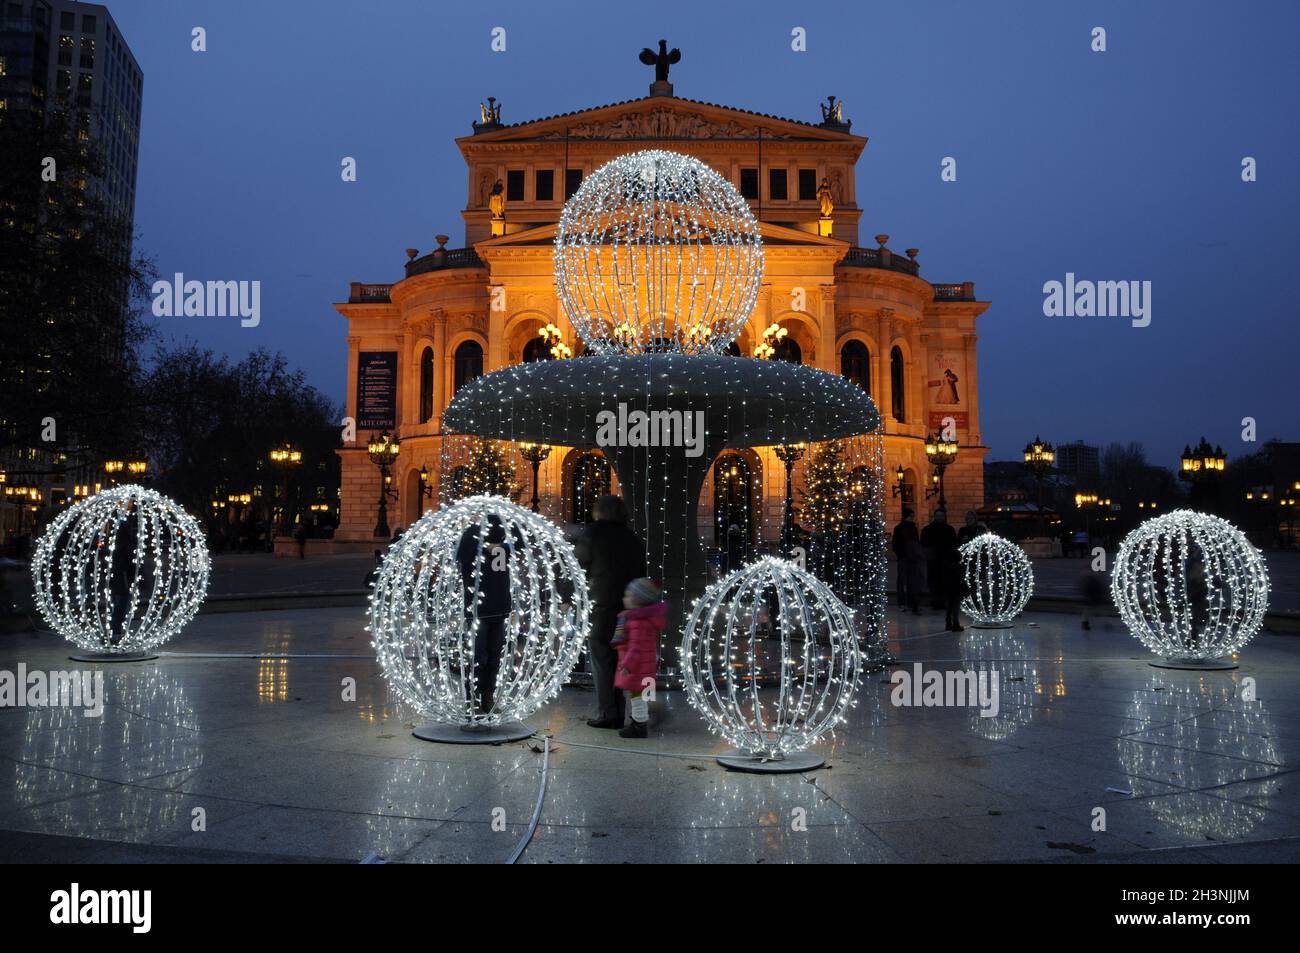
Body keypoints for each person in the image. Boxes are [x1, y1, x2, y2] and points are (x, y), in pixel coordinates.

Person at [574, 494, 646, 728]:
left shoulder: (592, 534)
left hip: (602, 605)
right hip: (630, 607)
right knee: (624, 659)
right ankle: (629, 713)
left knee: (602, 657)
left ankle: (608, 713)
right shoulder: (632, 537)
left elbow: (578, 566)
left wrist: (571, 596)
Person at [457, 515, 511, 714]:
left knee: (493, 658)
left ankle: (487, 696)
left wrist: (497, 547)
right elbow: (462, 551)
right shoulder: (471, 546)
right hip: (478, 612)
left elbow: (518, 544)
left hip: (498, 610)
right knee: (477, 658)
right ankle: (472, 698)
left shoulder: (503, 550)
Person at [611, 577, 665, 739]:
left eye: (628, 596)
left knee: (637, 696)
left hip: (638, 666)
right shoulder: (642, 619)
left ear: (638, 601)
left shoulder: (638, 622)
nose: (624, 599)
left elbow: (636, 646)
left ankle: (639, 726)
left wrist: (627, 665)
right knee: (642, 695)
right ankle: (645, 718)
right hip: (644, 665)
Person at [921, 508, 963, 631]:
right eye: (938, 515)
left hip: (944, 562)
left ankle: (940, 603)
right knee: (937, 583)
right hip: (939, 561)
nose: (940, 517)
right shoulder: (940, 530)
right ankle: (939, 602)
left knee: (942, 584)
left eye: (941, 515)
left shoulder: (938, 530)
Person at [891, 509, 922, 612]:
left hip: (909, 557)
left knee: (909, 581)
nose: (912, 518)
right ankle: (904, 602)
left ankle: (909, 602)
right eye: (911, 516)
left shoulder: (911, 528)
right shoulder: (901, 528)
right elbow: (896, 544)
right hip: (905, 557)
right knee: (904, 581)